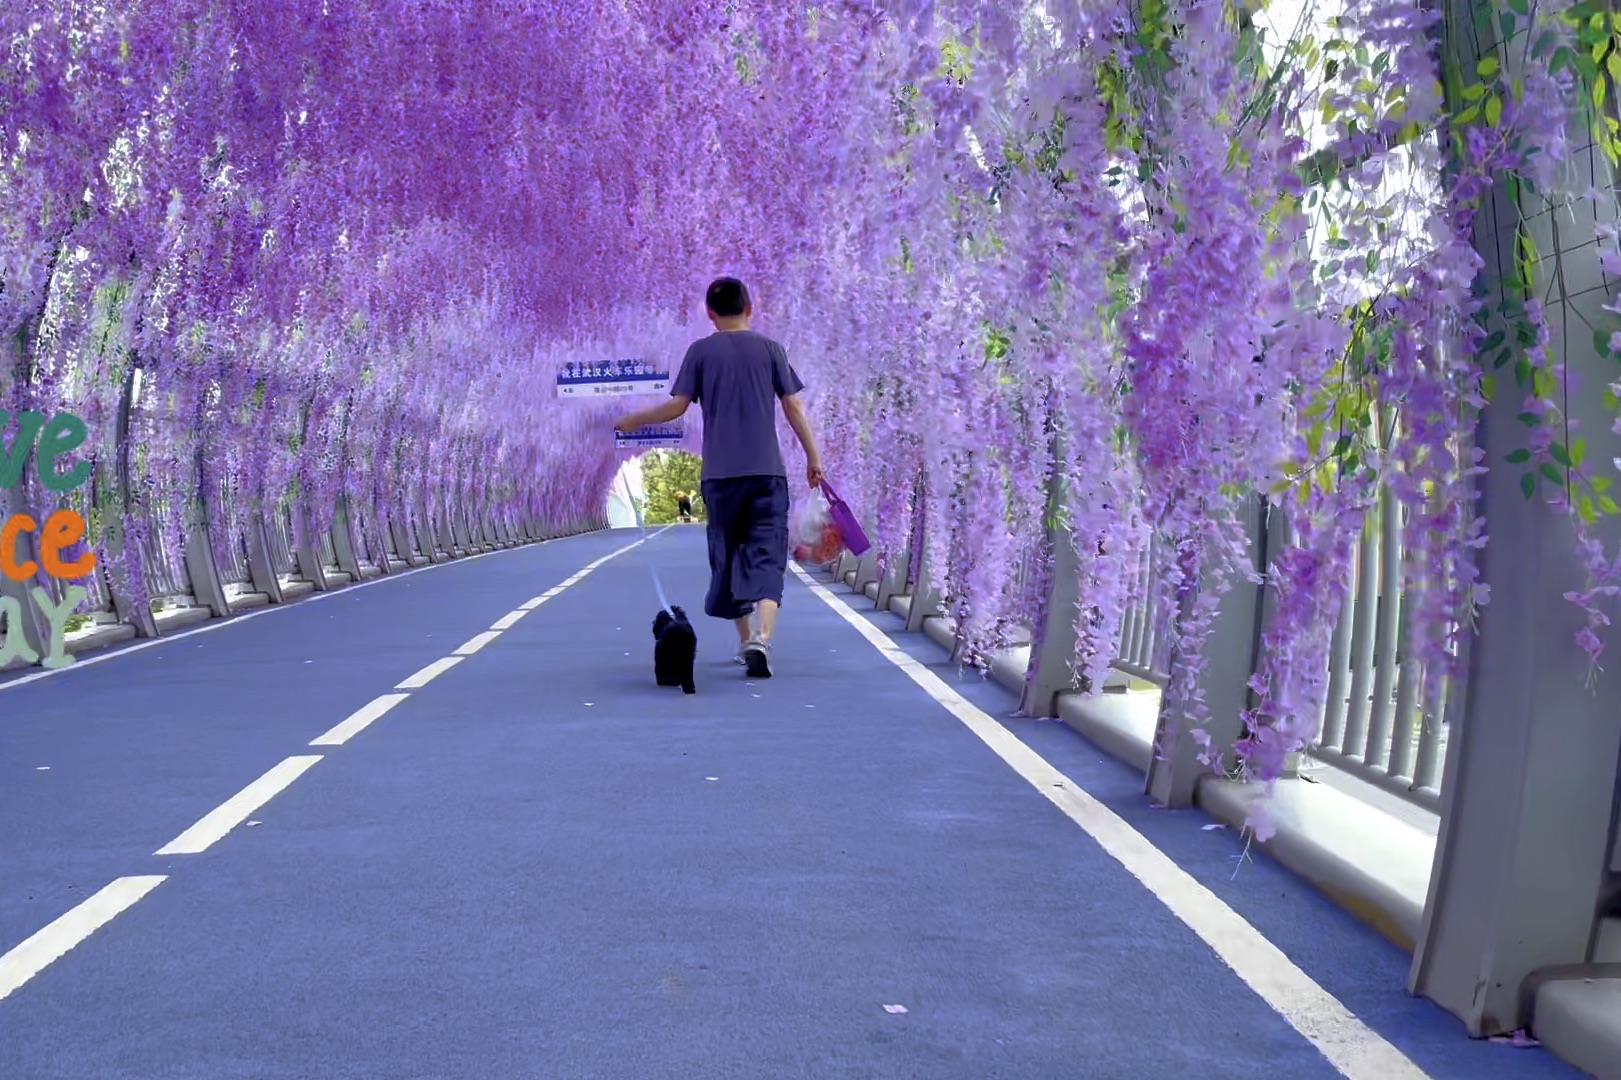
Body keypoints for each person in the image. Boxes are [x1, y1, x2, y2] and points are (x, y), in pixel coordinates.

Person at [616, 276, 825, 678]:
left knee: (729, 558)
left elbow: (676, 407)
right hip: (766, 472)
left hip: (721, 477)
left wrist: (634, 420)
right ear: (750, 308)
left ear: (710, 314)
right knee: (767, 555)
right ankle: (763, 638)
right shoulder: (771, 350)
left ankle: (746, 640)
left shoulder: (700, 352)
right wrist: (813, 458)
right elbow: (794, 407)